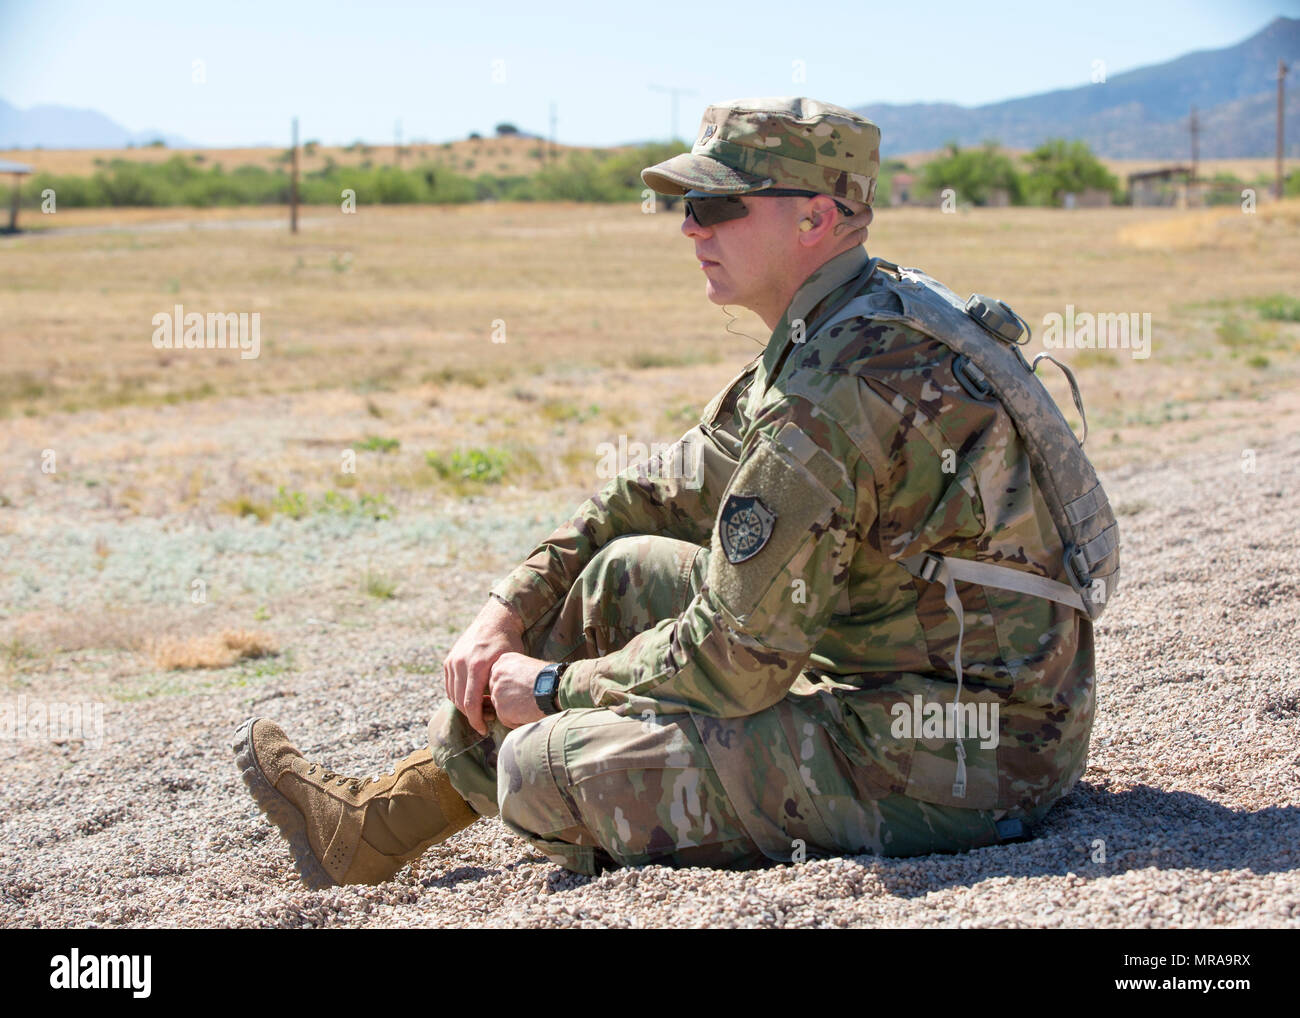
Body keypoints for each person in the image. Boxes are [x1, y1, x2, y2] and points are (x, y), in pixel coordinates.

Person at [233, 96, 1098, 888]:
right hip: (909, 670)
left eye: (718, 205)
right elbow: (653, 494)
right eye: (686, 205)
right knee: (615, 574)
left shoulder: (837, 392)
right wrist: (508, 604)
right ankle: (375, 829)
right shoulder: (843, 322)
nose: (691, 228)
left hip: (970, 751)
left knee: (542, 771)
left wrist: (552, 688)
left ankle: (449, 807)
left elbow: (736, 660)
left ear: (818, 217)